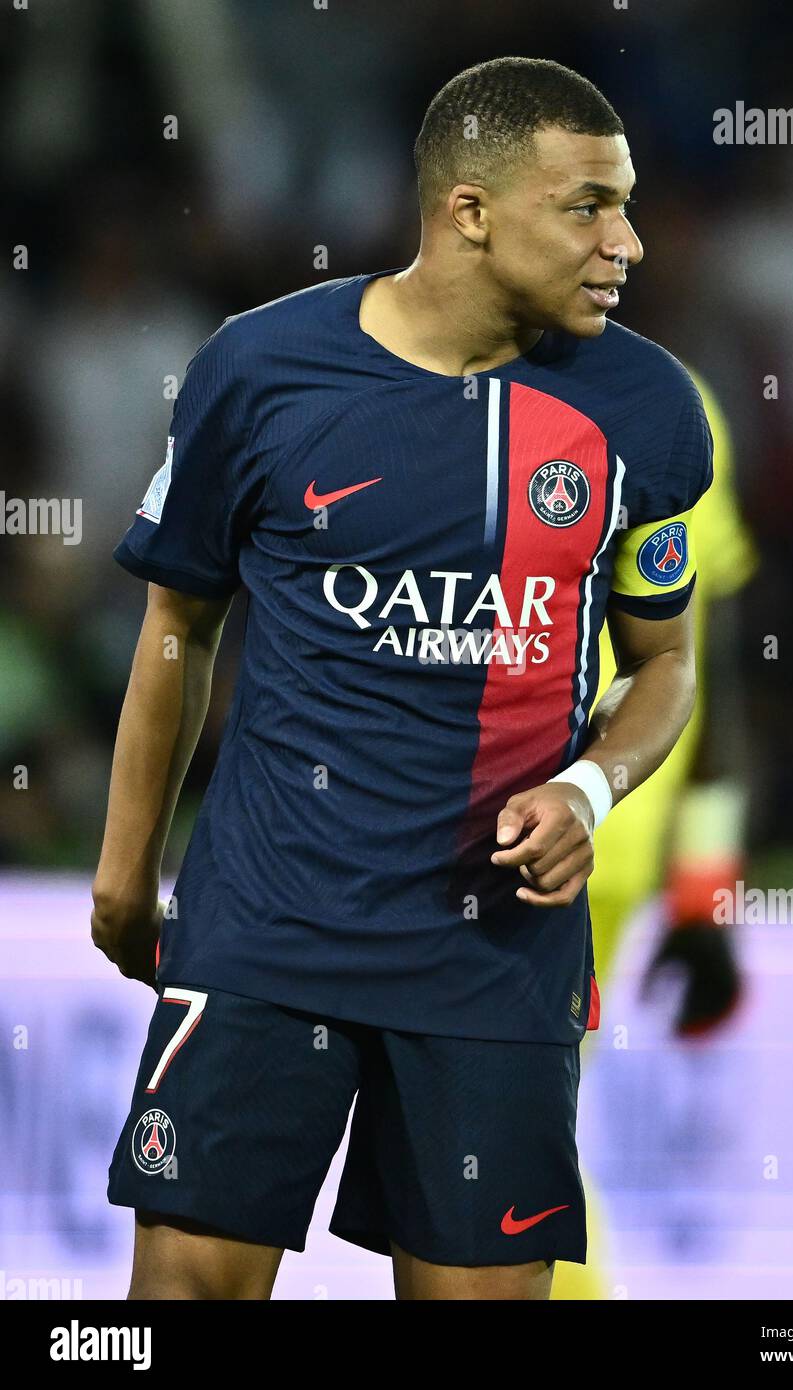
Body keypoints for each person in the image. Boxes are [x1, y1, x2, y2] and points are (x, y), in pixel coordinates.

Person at [92, 56, 715, 1301]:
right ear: (469, 213)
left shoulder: (648, 410)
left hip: (494, 957)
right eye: (588, 205)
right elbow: (178, 624)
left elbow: (667, 663)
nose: (628, 242)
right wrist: (124, 869)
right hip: (268, 926)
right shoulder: (259, 371)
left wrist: (592, 791)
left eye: (626, 204)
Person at [551, 371, 759, 1299]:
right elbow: (718, 666)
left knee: (499, 1131)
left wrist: (708, 893)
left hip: (548, 831)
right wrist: (707, 879)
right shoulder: (682, 402)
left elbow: (706, 661)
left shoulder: (465, 384)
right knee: (507, 1121)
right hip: (612, 828)